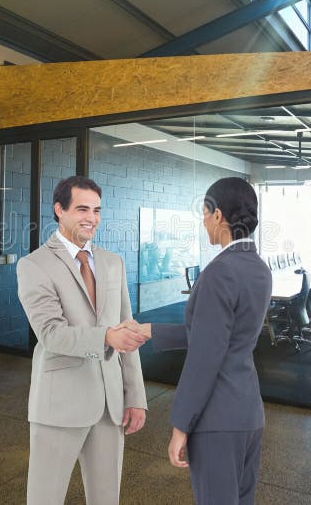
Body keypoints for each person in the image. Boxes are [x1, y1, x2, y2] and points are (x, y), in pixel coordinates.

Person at [122, 176, 273, 505]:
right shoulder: (259, 268)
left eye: (204, 215)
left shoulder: (220, 271)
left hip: (217, 419)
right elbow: (221, 335)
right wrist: (150, 330)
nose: (203, 223)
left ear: (218, 216)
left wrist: (180, 425)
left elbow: (206, 357)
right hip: (248, 414)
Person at [17, 175, 148, 505]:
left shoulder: (112, 263)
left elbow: (126, 332)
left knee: (106, 498)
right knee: (45, 498)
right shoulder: (34, 265)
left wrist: (136, 396)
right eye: (82, 209)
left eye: (97, 210)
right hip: (60, 403)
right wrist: (106, 336)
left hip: (110, 405)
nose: (92, 218)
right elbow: (51, 333)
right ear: (59, 210)